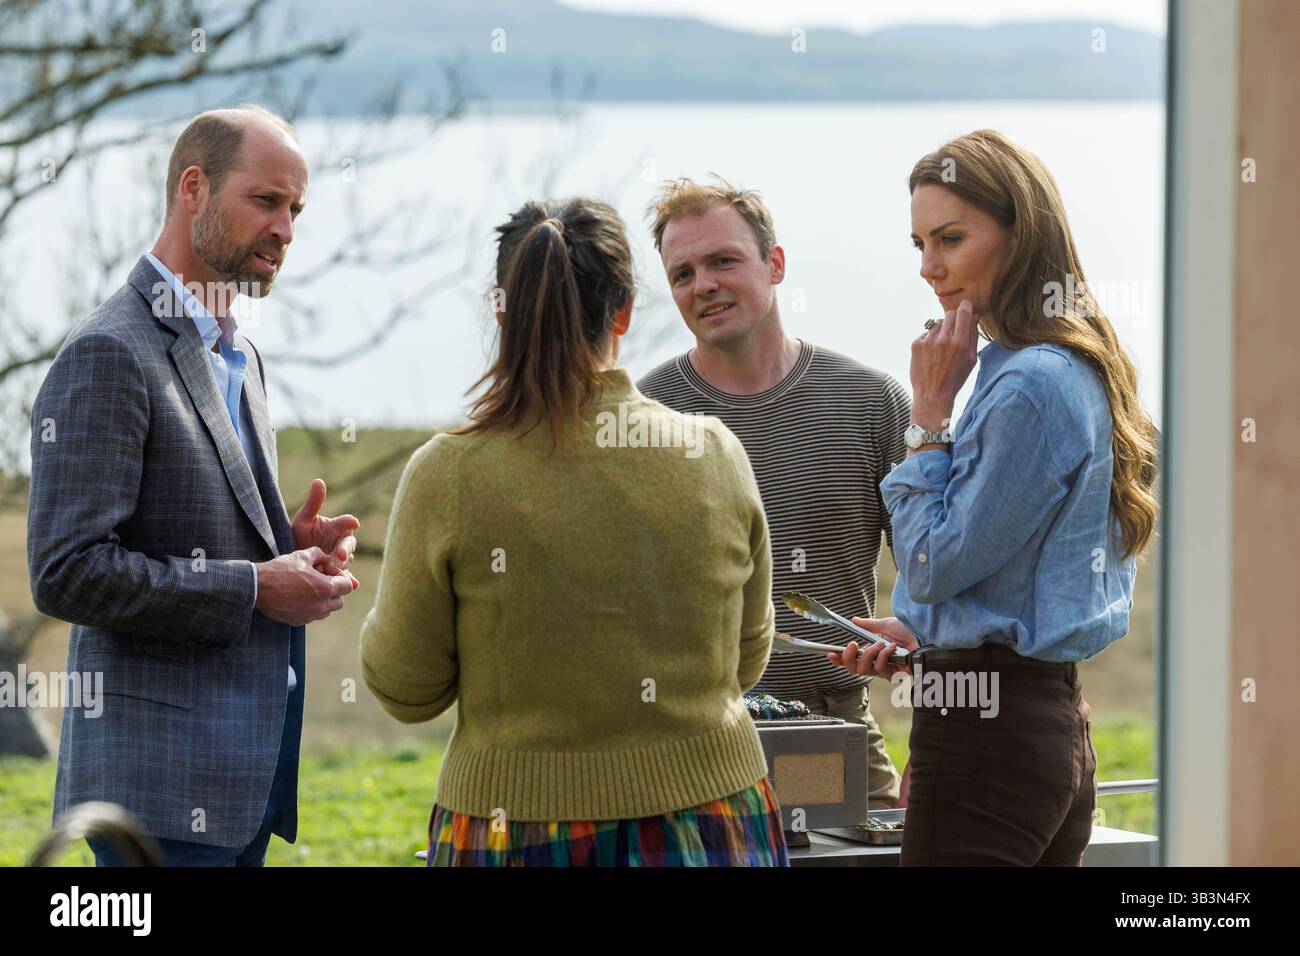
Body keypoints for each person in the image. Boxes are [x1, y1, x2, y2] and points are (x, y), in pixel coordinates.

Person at [360, 197, 788, 867]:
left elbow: (405, 689)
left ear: (501, 309)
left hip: (519, 830)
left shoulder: (447, 475)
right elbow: (745, 658)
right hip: (711, 820)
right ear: (622, 309)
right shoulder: (712, 453)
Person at [27, 105, 361, 867]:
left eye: (296, 209)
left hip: (244, 787)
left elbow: (201, 531)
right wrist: (254, 587)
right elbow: (66, 571)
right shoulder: (110, 352)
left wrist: (290, 548)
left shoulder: (239, 355)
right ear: (192, 188)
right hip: (153, 802)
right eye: (266, 201)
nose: (285, 229)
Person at [829, 129, 1159, 865]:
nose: (928, 267)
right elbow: (1009, 573)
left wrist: (927, 417)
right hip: (1037, 724)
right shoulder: (1063, 369)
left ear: (1021, 233)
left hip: (990, 742)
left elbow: (930, 564)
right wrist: (931, 639)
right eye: (918, 243)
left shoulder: (1028, 385)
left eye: (950, 238)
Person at [638, 176, 910, 810]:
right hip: (691, 747)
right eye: (682, 273)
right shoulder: (646, 414)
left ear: (776, 264)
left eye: (723, 260)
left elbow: (936, 576)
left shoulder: (871, 402)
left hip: (826, 733)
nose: (702, 284)